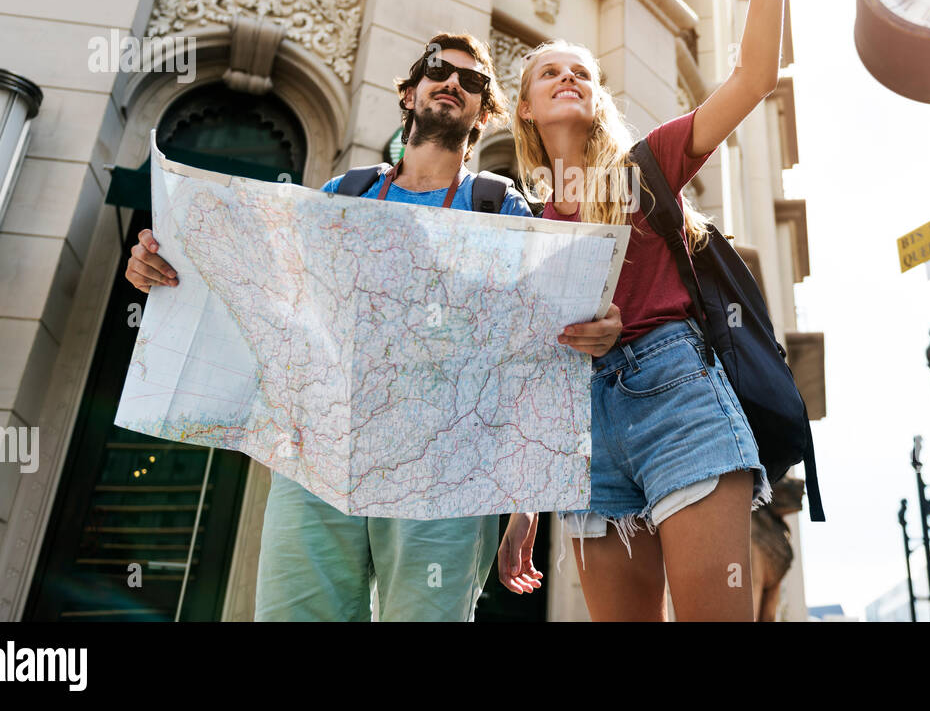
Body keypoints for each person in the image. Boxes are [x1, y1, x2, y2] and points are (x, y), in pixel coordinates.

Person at [125, 32, 622, 620]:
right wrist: (168, 264)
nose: (452, 83)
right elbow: (273, 299)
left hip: (444, 471)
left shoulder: (503, 209)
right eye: (437, 70)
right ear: (410, 93)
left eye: (473, 82)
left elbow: (534, 352)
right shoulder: (343, 194)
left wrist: (524, 504)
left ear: (486, 113)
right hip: (320, 460)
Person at [496, 0, 820, 621]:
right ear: (529, 110)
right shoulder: (523, 222)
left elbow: (752, 78)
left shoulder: (644, 165)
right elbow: (526, 366)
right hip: (587, 427)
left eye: (580, 71)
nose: (567, 76)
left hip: (677, 391)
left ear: (594, 96)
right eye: (548, 72)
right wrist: (521, 505)